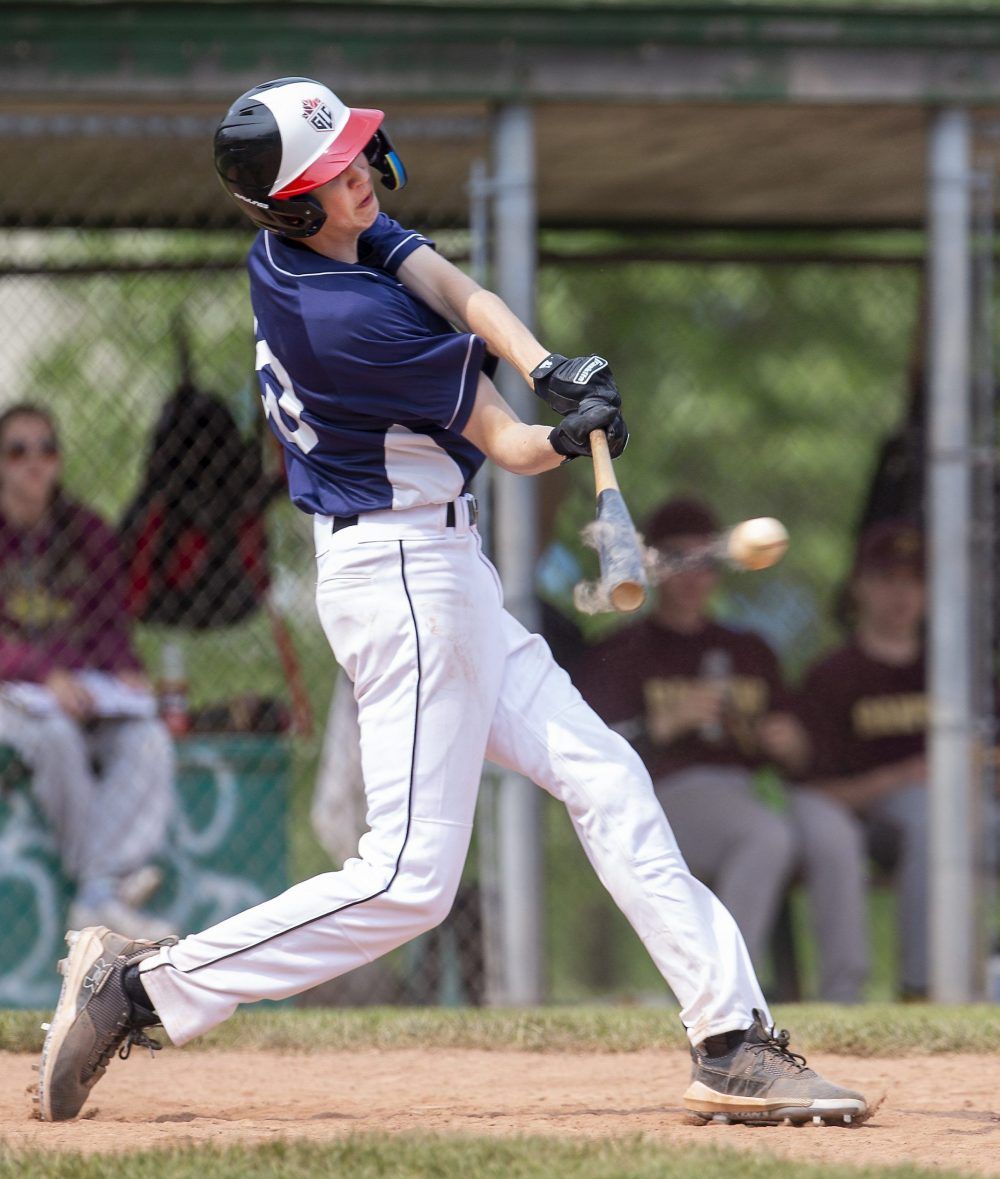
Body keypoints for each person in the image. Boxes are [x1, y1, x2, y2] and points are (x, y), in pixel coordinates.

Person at [36, 77, 866, 1126]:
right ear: (292, 204)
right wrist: (570, 431)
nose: (360, 174)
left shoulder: (307, 250)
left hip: (437, 567)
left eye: (355, 153)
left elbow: (441, 277)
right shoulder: (347, 319)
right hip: (404, 581)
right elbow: (508, 444)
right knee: (406, 881)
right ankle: (143, 987)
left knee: (605, 776)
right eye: (332, 170)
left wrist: (548, 363)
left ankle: (730, 1039)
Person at [576, 497, 806, 973]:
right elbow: (587, 758)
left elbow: (802, 753)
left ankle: (845, 992)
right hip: (664, 794)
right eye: (678, 559)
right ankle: (727, 983)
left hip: (748, 790)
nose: (693, 575)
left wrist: (788, 743)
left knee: (829, 837)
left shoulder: (749, 649)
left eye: (705, 560)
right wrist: (662, 724)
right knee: (766, 835)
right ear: (651, 565)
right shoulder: (624, 651)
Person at [0, 403, 174, 939]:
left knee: (147, 737)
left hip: (80, 691)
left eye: (46, 449)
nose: (35, 462)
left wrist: (123, 670)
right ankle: (102, 889)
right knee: (55, 736)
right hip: (16, 693)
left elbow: (109, 625)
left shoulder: (87, 531)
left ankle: (97, 893)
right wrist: (43, 674)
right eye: (18, 451)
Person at [790, 520, 949, 1001]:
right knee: (926, 814)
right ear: (859, 585)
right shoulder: (832, 675)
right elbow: (814, 791)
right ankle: (919, 988)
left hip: (965, 813)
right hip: (868, 816)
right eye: (888, 579)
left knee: (939, 815)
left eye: (915, 580)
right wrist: (899, 778)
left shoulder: (954, 669)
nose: (902, 594)